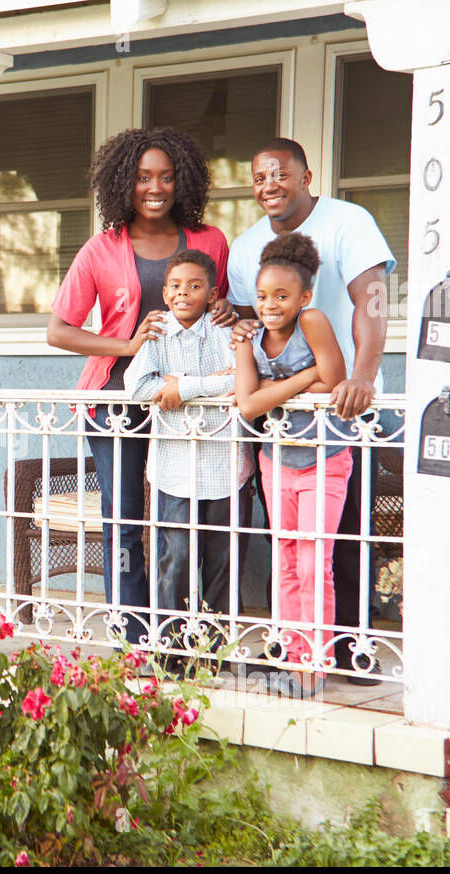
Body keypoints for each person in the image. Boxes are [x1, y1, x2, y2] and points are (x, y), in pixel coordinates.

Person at [47, 128, 232, 642]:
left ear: (183, 182)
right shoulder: (101, 248)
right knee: (125, 517)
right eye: (143, 177)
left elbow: (233, 315)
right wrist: (126, 347)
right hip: (117, 400)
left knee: (197, 517)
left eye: (167, 177)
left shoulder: (210, 240)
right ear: (122, 182)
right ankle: (133, 630)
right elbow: (58, 330)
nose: (155, 187)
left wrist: (224, 307)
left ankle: (196, 628)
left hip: (193, 403)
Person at [225, 137, 395, 682]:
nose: (269, 185)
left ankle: (348, 654)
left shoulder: (349, 221)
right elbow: (252, 321)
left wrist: (360, 380)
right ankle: (293, 648)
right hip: (280, 422)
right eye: (259, 177)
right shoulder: (247, 245)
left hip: (344, 410)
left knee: (342, 541)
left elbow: (372, 301)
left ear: (305, 176)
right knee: (290, 544)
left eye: (280, 174)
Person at [233, 234, 352, 698]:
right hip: (276, 459)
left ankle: (313, 666)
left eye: (282, 296)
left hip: (324, 457)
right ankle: (289, 655)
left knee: (312, 561)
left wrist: (278, 384)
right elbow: (247, 405)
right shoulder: (248, 338)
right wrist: (306, 380)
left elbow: (336, 380)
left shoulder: (314, 321)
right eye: (262, 296)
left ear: (303, 297)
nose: (270, 305)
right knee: (284, 559)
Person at [124, 250, 252, 672]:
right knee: (174, 561)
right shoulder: (157, 335)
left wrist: (181, 387)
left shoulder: (225, 331)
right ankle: (172, 653)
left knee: (222, 562)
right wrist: (202, 385)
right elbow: (137, 387)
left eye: (194, 286)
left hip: (226, 468)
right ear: (164, 293)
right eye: (176, 286)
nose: (184, 293)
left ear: (212, 293)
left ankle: (215, 654)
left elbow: (243, 380)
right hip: (174, 470)